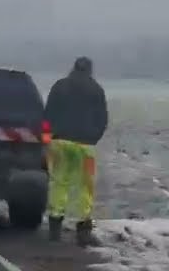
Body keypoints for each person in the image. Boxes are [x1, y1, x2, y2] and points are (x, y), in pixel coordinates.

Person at [43, 56, 109, 246]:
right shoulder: (96, 89)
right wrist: (93, 138)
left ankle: (55, 225)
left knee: (59, 183)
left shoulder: (59, 86)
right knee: (85, 186)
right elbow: (103, 119)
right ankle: (83, 230)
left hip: (60, 143)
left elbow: (47, 115)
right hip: (86, 146)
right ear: (90, 70)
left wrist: (47, 140)